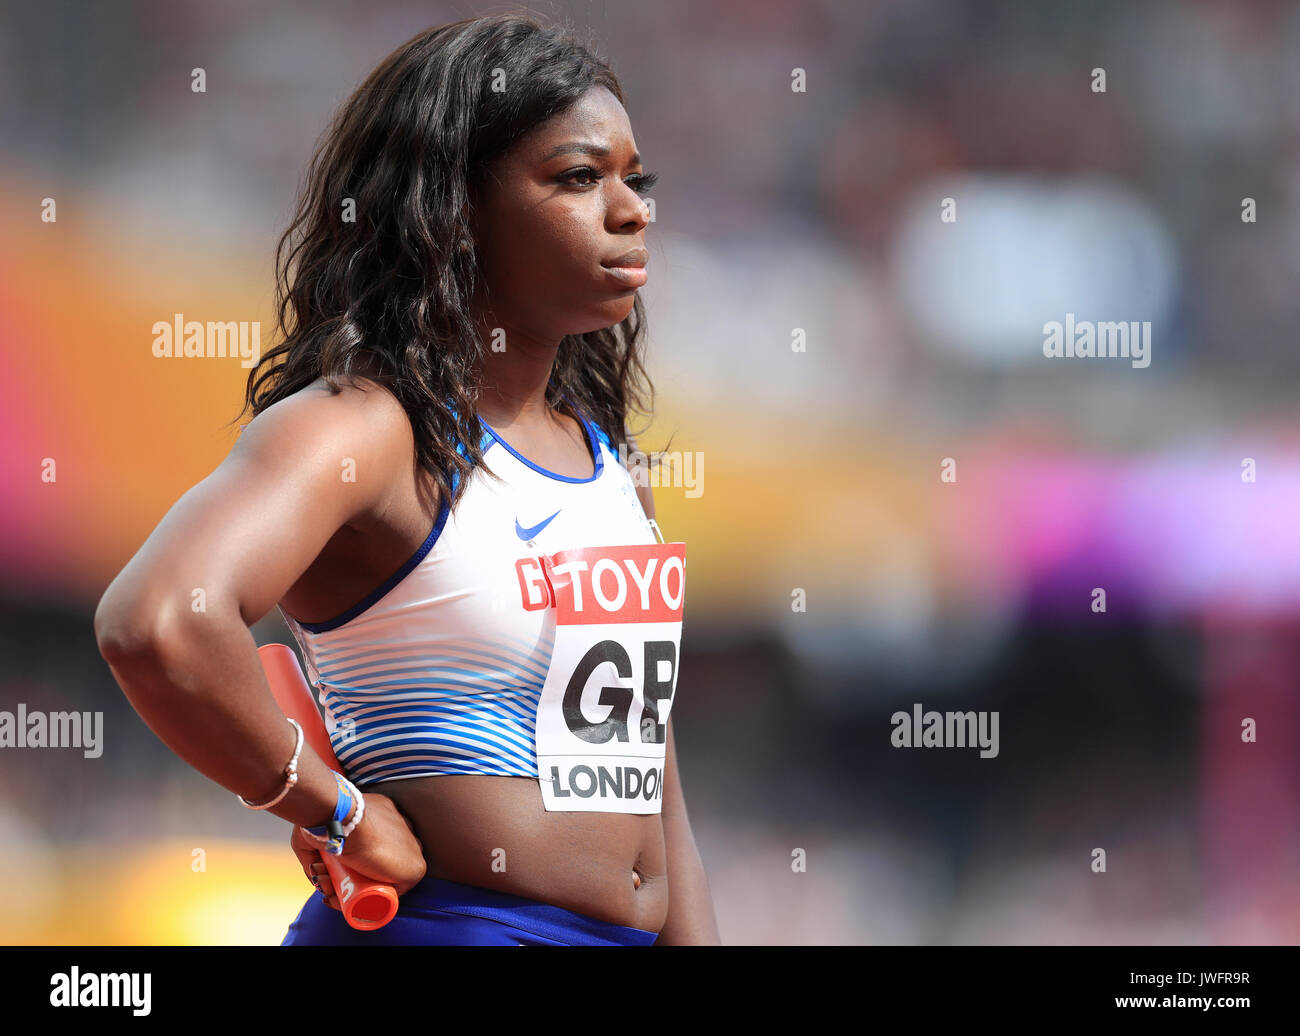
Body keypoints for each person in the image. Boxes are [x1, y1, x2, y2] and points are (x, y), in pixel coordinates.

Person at [94, 14, 720, 946]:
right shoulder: (363, 431)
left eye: (638, 180)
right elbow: (157, 622)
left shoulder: (613, 467)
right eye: (580, 178)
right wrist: (330, 807)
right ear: (453, 209)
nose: (631, 210)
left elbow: (646, 779)